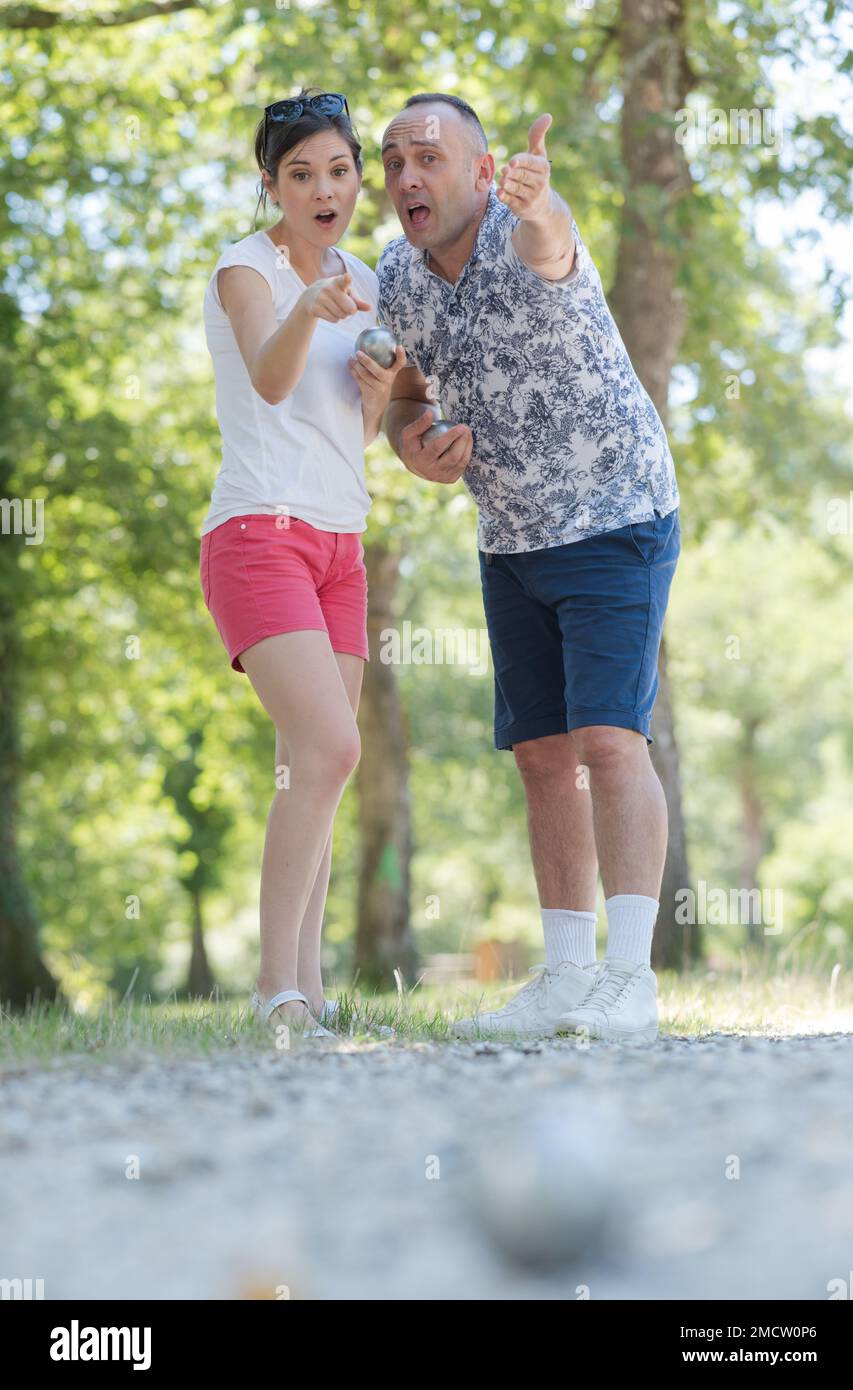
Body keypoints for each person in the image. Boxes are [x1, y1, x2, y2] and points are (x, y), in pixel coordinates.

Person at [375, 95, 681, 1044]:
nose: (403, 178)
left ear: (480, 173)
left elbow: (552, 246)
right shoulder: (396, 275)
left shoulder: (525, 226)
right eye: (390, 162)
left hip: (614, 513)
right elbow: (406, 393)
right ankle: (564, 976)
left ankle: (629, 978)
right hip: (509, 537)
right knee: (542, 756)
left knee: (608, 743)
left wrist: (540, 201)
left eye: (427, 157)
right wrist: (410, 443)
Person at [199, 88, 406, 1037]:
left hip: (339, 545)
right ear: (271, 185)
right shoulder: (246, 271)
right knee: (330, 749)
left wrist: (373, 392)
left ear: (357, 174)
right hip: (256, 537)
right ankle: (272, 987)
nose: (324, 189)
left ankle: (309, 993)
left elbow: (343, 433)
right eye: (300, 174)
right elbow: (272, 379)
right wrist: (309, 306)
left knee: (311, 770)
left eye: (338, 170)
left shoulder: (365, 275)